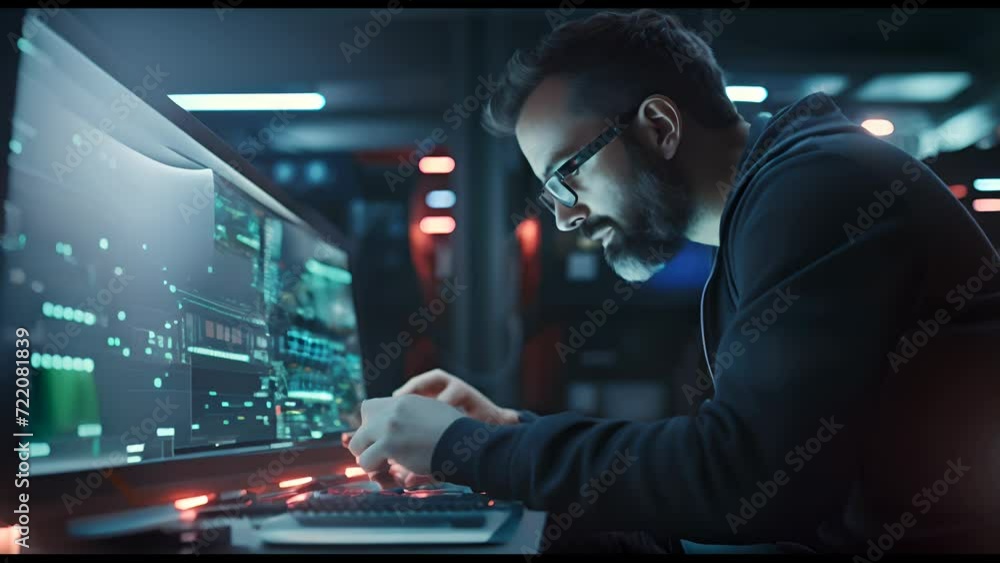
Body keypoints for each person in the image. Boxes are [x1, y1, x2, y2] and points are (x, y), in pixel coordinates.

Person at [346, 9, 1000, 554]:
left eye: (565, 175)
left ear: (659, 126)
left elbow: (744, 479)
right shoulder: (775, 206)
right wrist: (507, 430)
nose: (567, 213)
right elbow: (726, 477)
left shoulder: (818, 187)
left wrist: (471, 448)